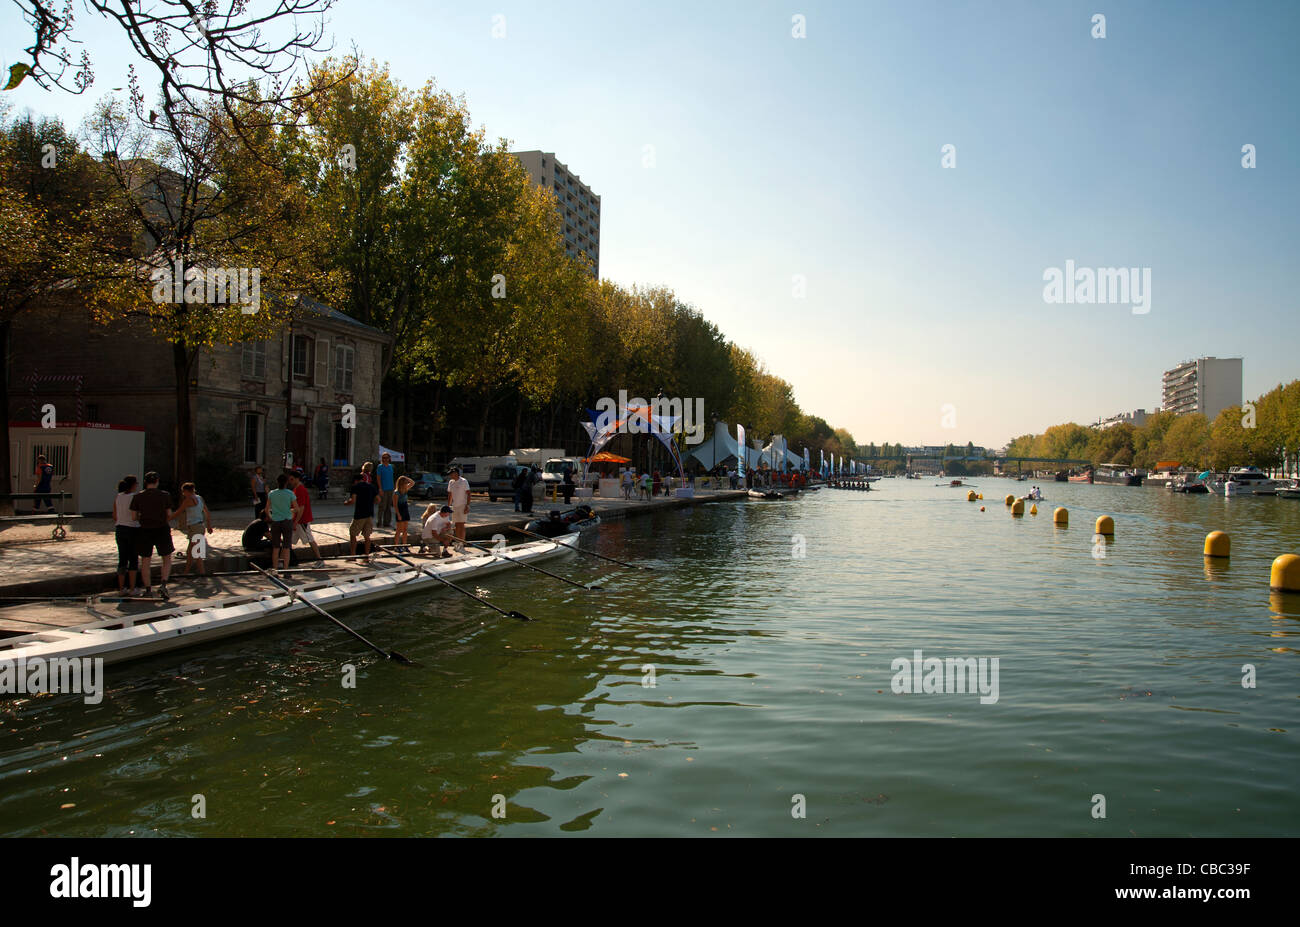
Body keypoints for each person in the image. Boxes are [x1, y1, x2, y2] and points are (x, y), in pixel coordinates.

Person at [130, 471, 174, 600]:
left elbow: (133, 516)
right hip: (162, 529)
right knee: (166, 558)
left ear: (145, 482)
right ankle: (164, 584)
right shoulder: (165, 495)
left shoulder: (138, 496)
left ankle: (148, 589)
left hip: (145, 529)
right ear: (157, 481)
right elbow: (169, 514)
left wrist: (143, 517)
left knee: (145, 560)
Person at [173, 481, 213, 578]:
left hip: (195, 528)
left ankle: (203, 575)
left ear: (187, 491)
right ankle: (185, 574)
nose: (183, 494)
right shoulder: (200, 498)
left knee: (197, 553)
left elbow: (179, 511)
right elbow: (207, 512)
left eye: (183, 492)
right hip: (198, 527)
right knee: (189, 553)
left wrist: (167, 519)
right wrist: (208, 525)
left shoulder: (188, 500)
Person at [287, 470, 325, 567]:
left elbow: (301, 508)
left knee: (309, 539)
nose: (290, 481)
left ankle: (319, 559)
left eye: (292, 479)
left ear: (297, 479)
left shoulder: (300, 489)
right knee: (288, 540)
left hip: (302, 520)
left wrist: (295, 521)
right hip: (298, 520)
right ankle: (287, 560)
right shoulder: (296, 489)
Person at [265, 472, 299, 572]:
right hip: (287, 521)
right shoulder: (290, 493)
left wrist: (271, 516)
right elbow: (296, 508)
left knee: (275, 547)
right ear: (286, 483)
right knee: (287, 547)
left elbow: (267, 509)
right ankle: (286, 570)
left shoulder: (272, 493)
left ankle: (275, 569)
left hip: (276, 521)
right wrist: (290, 511)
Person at [114, 475, 141, 596]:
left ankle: (121, 588)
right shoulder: (135, 497)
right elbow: (135, 515)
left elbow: (115, 515)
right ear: (133, 485)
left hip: (120, 528)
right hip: (132, 528)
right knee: (133, 559)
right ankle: (132, 587)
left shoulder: (118, 497)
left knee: (122, 559)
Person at [346, 467, 380, 561]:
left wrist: (346, 503)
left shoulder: (355, 487)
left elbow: (352, 500)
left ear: (355, 481)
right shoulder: (371, 486)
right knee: (367, 536)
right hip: (369, 514)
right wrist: (369, 502)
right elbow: (378, 500)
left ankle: (353, 556)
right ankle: (366, 556)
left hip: (359, 514)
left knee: (353, 534)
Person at [445, 466, 471, 550]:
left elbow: (468, 493)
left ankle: (461, 543)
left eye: (451, 474)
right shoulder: (451, 482)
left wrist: (467, 505)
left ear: (456, 473)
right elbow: (450, 495)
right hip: (454, 506)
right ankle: (457, 542)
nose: (450, 476)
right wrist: (448, 506)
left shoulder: (464, 481)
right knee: (456, 525)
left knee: (461, 524)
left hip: (462, 505)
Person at [375, 452, 396, 529]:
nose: (385, 459)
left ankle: (387, 523)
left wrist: (394, 488)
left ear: (389, 458)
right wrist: (380, 488)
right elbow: (378, 478)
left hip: (390, 489)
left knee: (388, 507)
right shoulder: (380, 467)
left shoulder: (391, 467)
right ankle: (379, 522)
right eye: (383, 457)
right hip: (383, 489)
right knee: (382, 507)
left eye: (386, 457)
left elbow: (392, 478)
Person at [394, 475, 414, 545]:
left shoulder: (406, 489)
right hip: (400, 510)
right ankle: (396, 545)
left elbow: (412, 483)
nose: (406, 484)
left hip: (405, 509)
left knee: (405, 529)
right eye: (405, 482)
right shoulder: (396, 493)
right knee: (399, 530)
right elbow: (395, 505)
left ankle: (404, 545)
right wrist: (398, 514)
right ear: (401, 484)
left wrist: (405, 477)